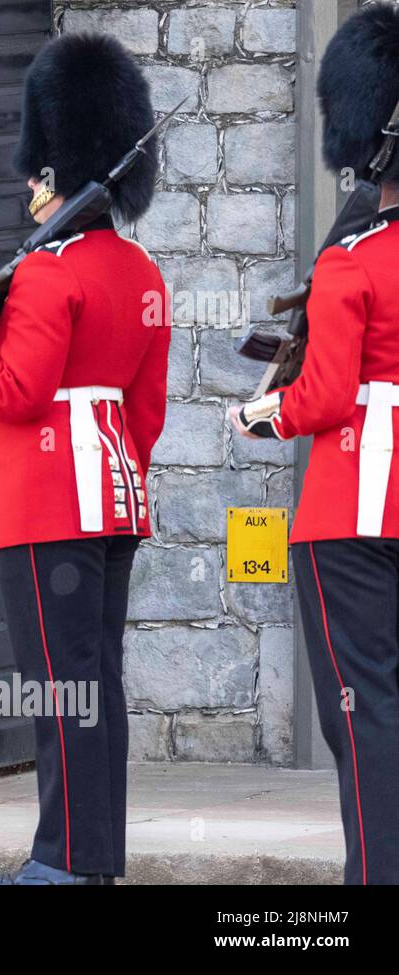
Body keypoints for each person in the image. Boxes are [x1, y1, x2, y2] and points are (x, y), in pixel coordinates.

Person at [0, 32, 169, 884]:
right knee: (95, 686)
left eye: (35, 171)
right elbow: (146, 410)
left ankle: (62, 861)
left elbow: (15, 390)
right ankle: (93, 858)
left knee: (60, 691)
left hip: (48, 501)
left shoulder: (49, 273)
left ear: (55, 173)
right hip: (114, 494)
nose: (25, 184)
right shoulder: (141, 267)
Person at [230, 1, 399, 885]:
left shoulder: (350, 262)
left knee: (363, 708)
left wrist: (262, 414)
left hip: (350, 516)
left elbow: (326, 396)